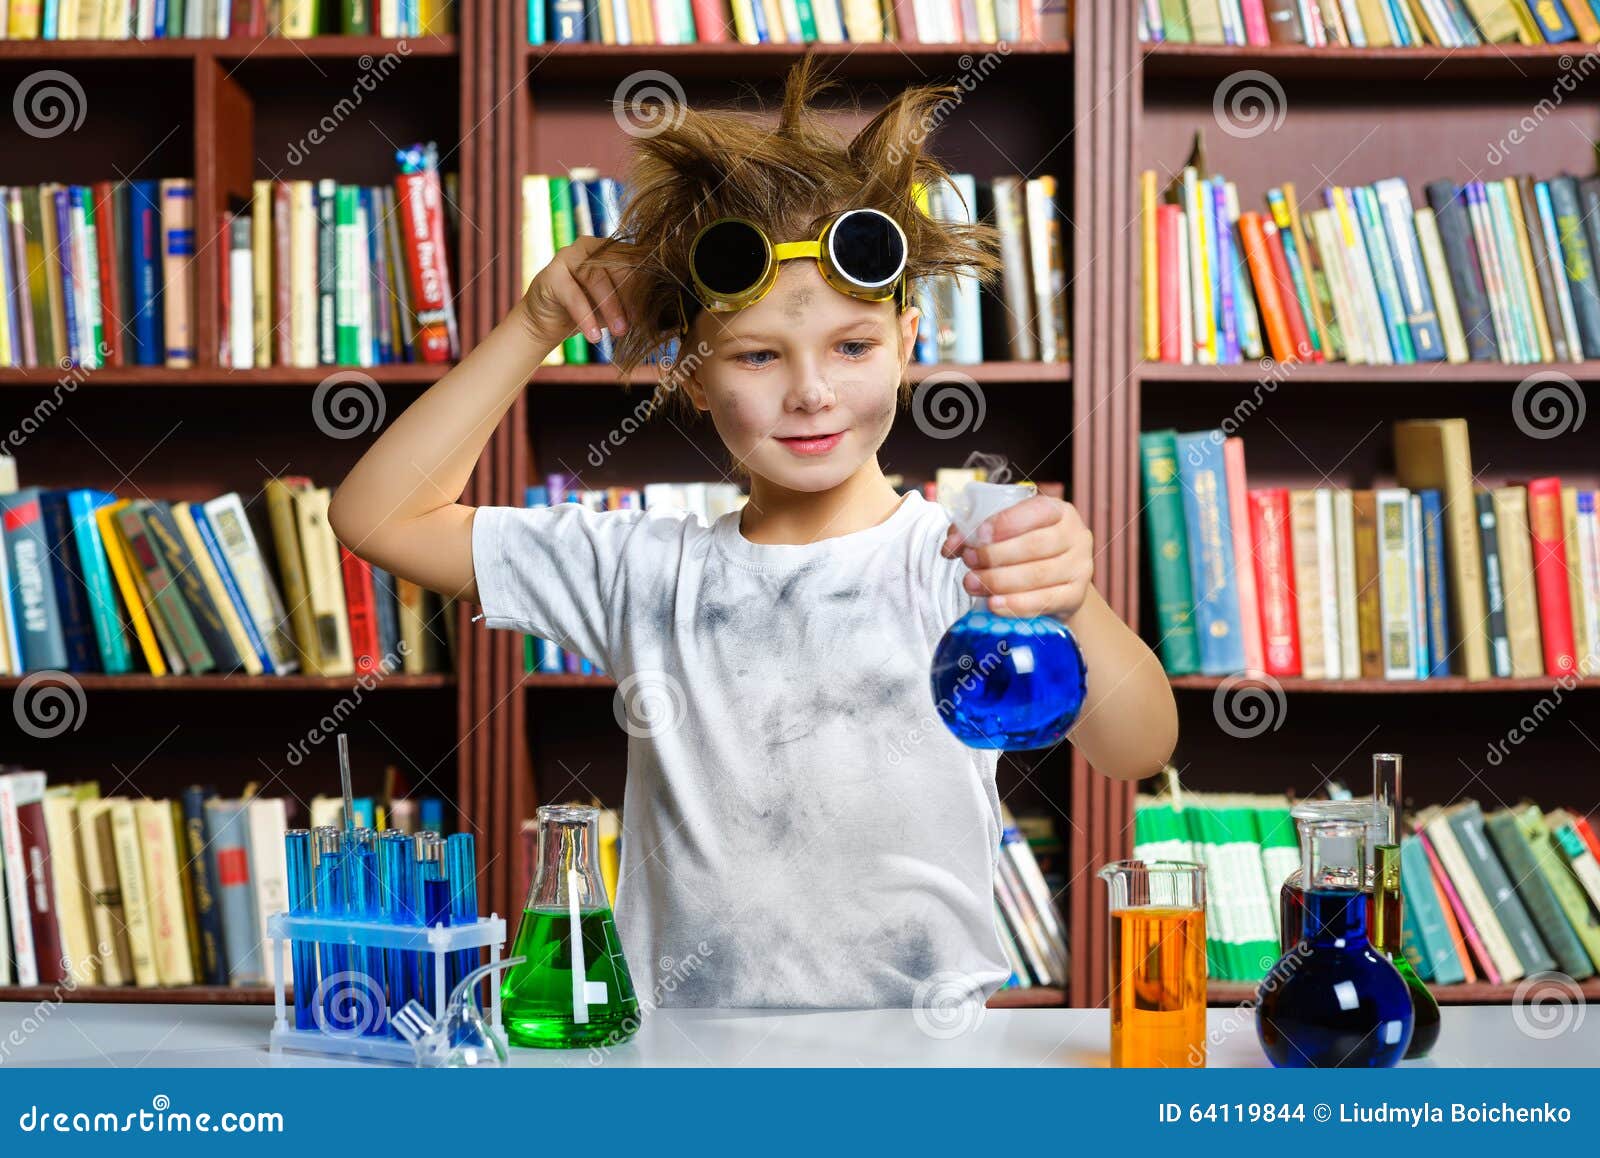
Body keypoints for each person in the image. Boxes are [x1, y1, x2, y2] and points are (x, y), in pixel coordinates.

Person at [329, 59, 1177, 1009]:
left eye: (852, 348)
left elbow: (1138, 748)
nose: (811, 391)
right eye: (759, 355)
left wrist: (1073, 600)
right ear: (694, 376)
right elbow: (378, 517)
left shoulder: (962, 565)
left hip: (927, 1061)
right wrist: (534, 322)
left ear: (906, 343)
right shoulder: (641, 570)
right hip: (686, 1061)